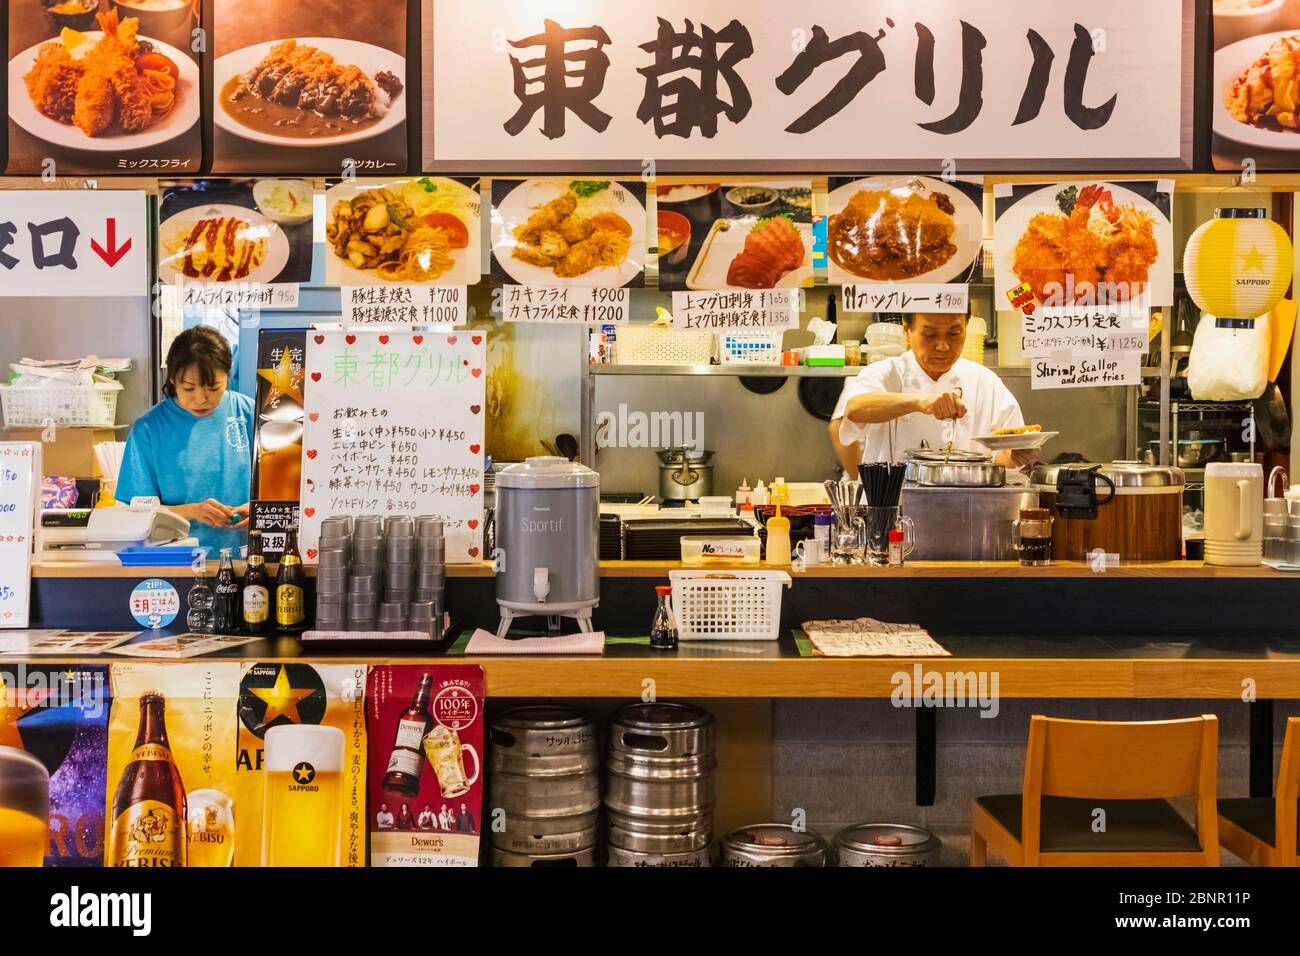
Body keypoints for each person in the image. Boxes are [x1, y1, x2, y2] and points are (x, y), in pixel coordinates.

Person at [115, 326, 254, 552]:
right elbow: (136, 513)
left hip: (246, 557)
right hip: (177, 558)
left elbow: (284, 491)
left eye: (213, 387)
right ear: (172, 380)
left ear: (228, 376)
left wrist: (259, 510)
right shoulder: (148, 429)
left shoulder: (249, 414)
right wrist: (192, 511)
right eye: (189, 388)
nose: (201, 398)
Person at [829, 313, 1031, 468]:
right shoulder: (886, 372)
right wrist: (921, 402)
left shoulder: (985, 381)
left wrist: (1013, 458)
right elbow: (855, 409)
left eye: (954, 333)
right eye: (930, 334)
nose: (943, 346)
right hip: (893, 513)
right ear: (907, 330)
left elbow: (1003, 458)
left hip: (965, 510)